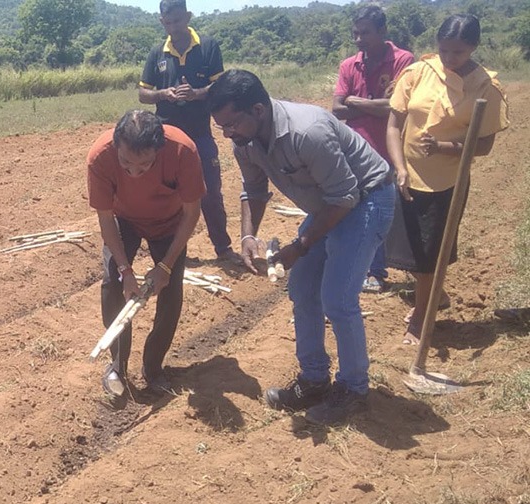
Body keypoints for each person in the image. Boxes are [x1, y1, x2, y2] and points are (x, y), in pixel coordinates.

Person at [208, 70, 395, 426]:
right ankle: (314, 380)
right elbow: (254, 190)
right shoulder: (245, 142)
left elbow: (346, 197)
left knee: (338, 299)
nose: (228, 133)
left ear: (259, 110)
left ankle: (354, 390)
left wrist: (300, 245)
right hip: (329, 202)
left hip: (366, 199)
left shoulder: (306, 132)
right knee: (302, 289)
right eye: (222, 127)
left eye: (232, 123)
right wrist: (248, 236)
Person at [386, 13, 509, 345]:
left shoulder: (486, 86)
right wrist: (399, 167)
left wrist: (445, 147)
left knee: (429, 256)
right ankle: (435, 296)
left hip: (446, 182)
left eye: (458, 53)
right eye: (444, 51)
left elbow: (483, 145)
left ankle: (422, 318)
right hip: (406, 175)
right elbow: (394, 126)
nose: (449, 59)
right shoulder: (417, 73)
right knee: (409, 252)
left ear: (473, 48)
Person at [88, 109, 204, 397]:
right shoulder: (100, 157)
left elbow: (192, 212)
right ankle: (116, 364)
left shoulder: (183, 151)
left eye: (145, 165)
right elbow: (105, 219)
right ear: (116, 146)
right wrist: (126, 271)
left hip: (169, 222)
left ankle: (153, 367)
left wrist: (164, 267)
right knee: (112, 282)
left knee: (170, 288)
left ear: (159, 150)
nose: (134, 172)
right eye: (126, 163)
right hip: (124, 220)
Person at [138, 0, 232, 261]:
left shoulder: (208, 47)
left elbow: (220, 87)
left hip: (200, 133)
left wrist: (197, 94)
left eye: (178, 21)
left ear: (188, 17)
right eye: (168, 23)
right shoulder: (157, 53)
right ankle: (173, 254)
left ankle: (223, 249)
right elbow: (143, 94)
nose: (173, 28)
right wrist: (163, 94)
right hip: (166, 138)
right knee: (168, 196)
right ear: (161, 21)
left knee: (210, 192)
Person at [332, 4, 415, 294]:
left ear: (383, 31)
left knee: (385, 211)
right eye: (355, 33)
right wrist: (371, 107)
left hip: (390, 149)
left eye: (365, 33)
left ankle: (379, 271)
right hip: (355, 151)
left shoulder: (404, 61)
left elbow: (397, 107)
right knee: (356, 209)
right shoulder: (348, 65)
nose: (358, 39)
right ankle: (366, 269)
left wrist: (355, 102)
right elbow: (337, 109)